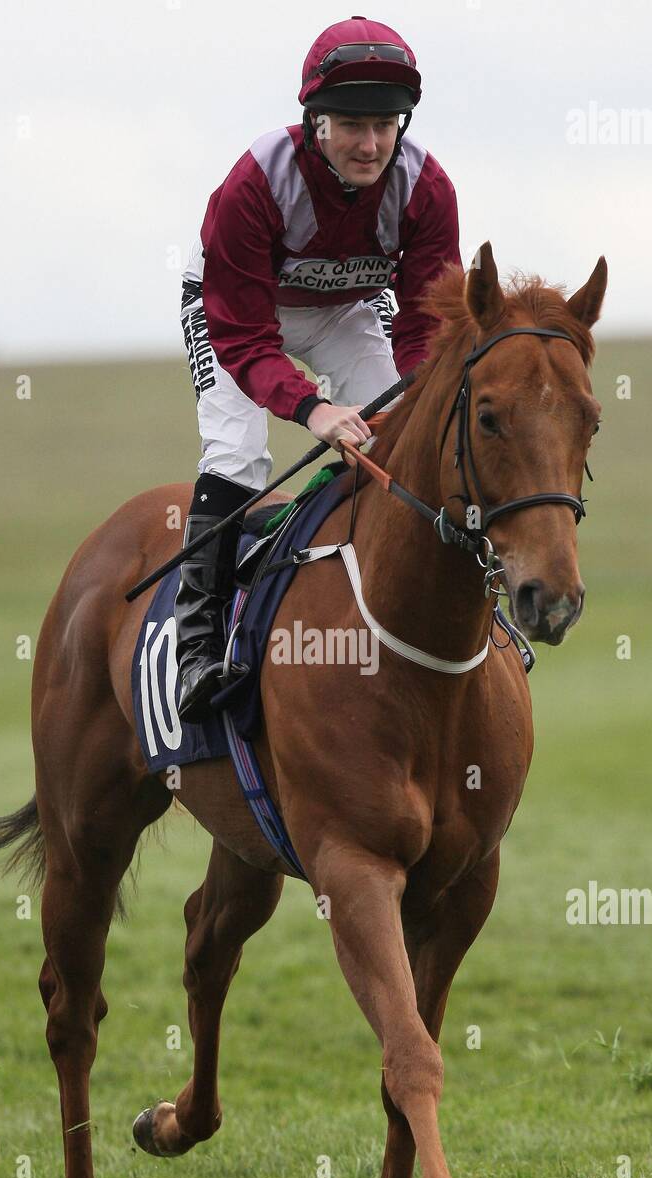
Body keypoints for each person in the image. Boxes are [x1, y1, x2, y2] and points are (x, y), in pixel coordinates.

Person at [175, 15, 461, 721]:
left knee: (400, 435)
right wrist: (311, 410)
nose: (371, 144)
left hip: (343, 309)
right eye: (351, 124)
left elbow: (428, 324)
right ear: (315, 122)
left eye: (386, 125)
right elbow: (243, 338)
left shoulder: (427, 188)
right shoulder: (254, 184)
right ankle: (198, 643)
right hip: (240, 309)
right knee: (237, 451)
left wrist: (422, 397)